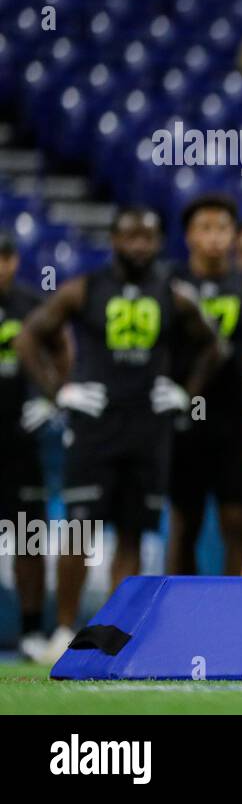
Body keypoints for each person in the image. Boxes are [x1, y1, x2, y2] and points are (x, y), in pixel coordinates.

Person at [16, 208, 219, 662]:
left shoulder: (174, 294)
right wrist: (59, 391)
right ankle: (65, 630)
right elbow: (28, 338)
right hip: (95, 429)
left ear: (159, 242)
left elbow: (213, 344)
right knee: (80, 528)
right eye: (130, 237)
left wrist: (187, 392)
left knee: (133, 534)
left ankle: (112, 636)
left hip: (148, 430)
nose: (139, 245)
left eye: (148, 237)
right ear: (113, 240)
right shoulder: (83, 289)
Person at [167, 193, 242, 575]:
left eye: (223, 228)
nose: (215, 237)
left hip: (235, 422)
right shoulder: (170, 284)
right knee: (183, 524)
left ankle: (236, 615)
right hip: (182, 422)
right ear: (188, 235)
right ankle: (180, 615)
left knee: (237, 523)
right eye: (205, 228)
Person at [0, 235, 68, 660]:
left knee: (27, 537)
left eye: (2, 258)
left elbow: (64, 352)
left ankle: (30, 631)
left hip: (19, 440)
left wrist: (53, 396)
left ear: (13, 260)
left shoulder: (32, 304)